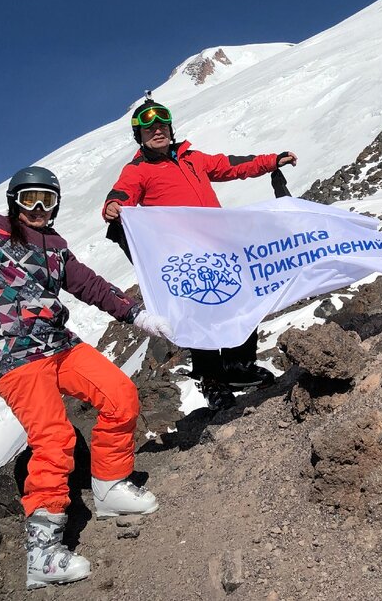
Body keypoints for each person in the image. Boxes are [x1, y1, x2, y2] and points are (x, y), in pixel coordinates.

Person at [0, 133, 175, 590]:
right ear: (14, 202)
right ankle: (42, 553)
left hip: (58, 344)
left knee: (120, 394)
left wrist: (137, 315)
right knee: (55, 437)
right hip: (13, 353)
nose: (38, 209)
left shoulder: (56, 247)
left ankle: (111, 487)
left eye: (47, 201)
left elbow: (92, 287)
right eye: (30, 200)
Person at [101, 98, 298, 410]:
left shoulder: (193, 158)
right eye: (148, 128)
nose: (157, 131)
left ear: (170, 128)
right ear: (139, 136)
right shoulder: (138, 170)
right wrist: (113, 206)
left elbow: (232, 165)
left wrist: (271, 160)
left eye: (162, 125)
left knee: (241, 298)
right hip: (184, 255)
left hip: (218, 246)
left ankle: (238, 367)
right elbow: (121, 193)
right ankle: (212, 380)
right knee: (200, 313)